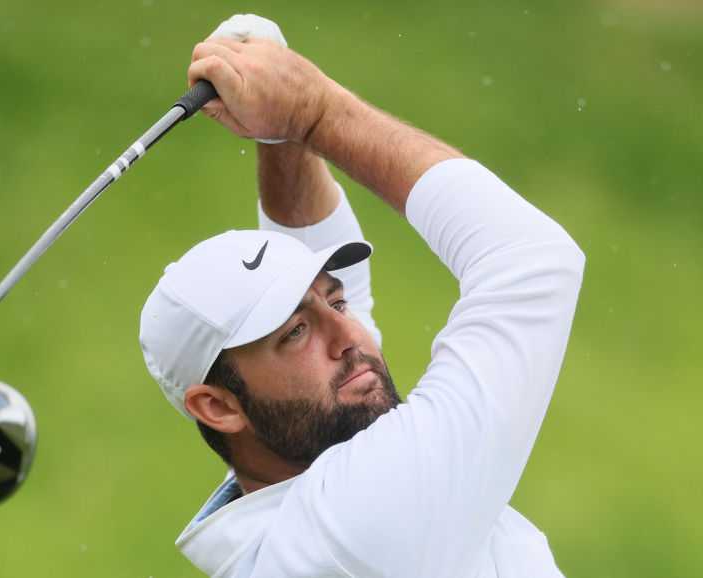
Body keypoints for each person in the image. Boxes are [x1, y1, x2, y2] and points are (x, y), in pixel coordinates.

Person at [138, 14, 585, 578]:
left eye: (337, 302)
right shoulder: (361, 520)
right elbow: (534, 261)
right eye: (295, 332)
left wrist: (280, 136)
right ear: (218, 406)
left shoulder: (289, 503)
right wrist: (311, 111)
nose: (350, 337)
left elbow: (306, 248)